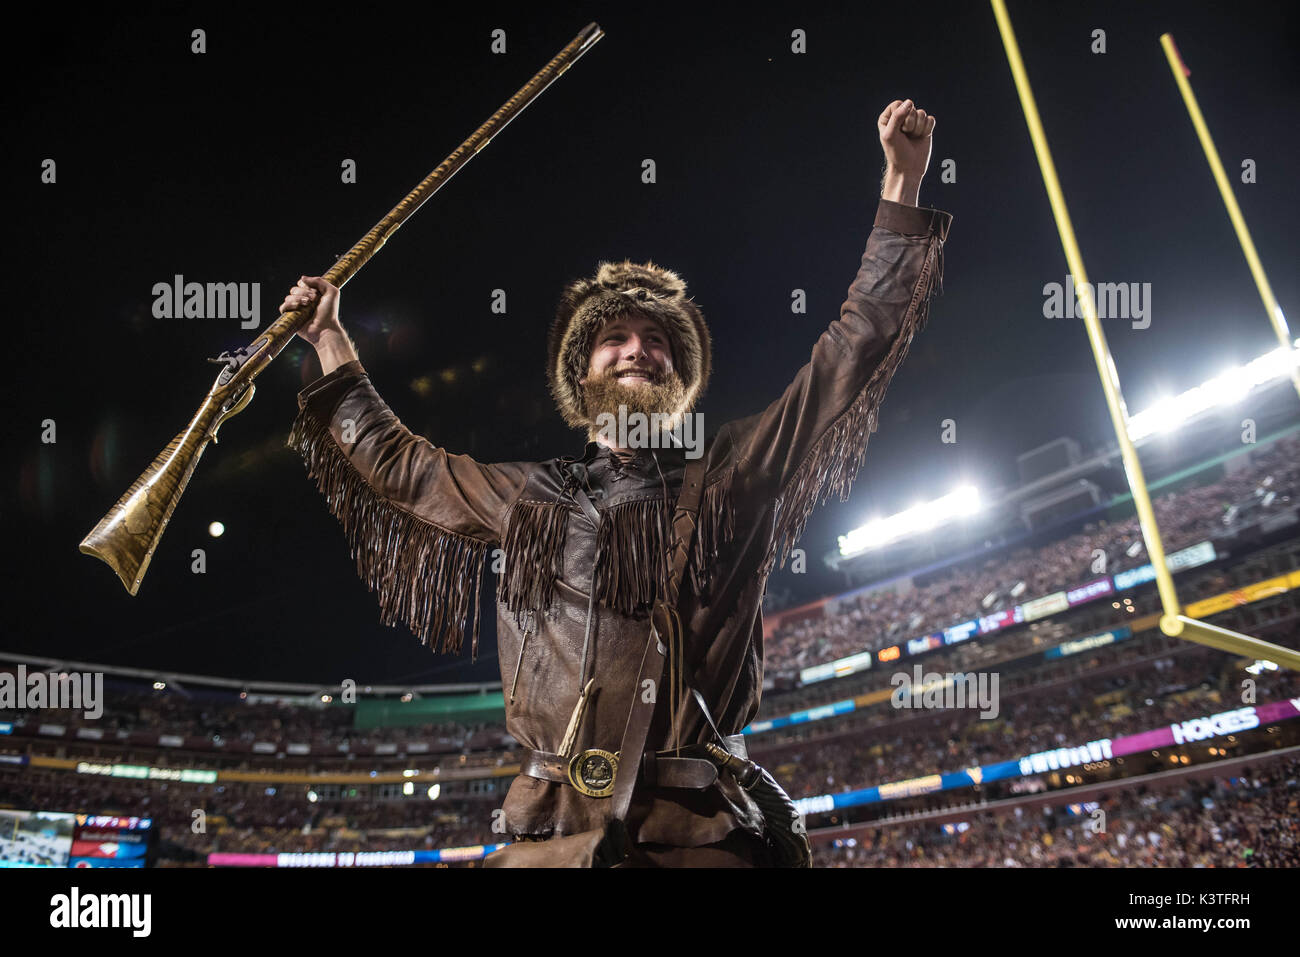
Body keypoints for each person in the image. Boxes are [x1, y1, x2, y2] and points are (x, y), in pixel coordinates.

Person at [282, 98, 952, 866]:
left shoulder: (734, 466)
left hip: (699, 834)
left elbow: (852, 350)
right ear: (583, 371)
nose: (637, 349)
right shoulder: (528, 494)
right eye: (614, 338)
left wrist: (901, 179)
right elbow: (399, 465)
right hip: (548, 837)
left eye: (657, 340)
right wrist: (330, 335)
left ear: (679, 374)